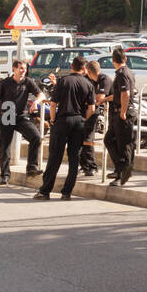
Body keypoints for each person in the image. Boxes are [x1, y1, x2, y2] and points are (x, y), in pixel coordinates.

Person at [36, 57, 95, 201]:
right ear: (84, 69)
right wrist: (83, 118)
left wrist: (52, 119)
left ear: (71, 66)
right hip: (79, 122)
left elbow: (53, 104)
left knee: (55, 156)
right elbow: (92, 109)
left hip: (62, 121)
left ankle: (45, 191)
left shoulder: (63, 81)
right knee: (74, 158)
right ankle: (66, 192)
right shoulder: (88, 84)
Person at [0, 60, 42, 186]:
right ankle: (5, 176)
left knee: (36, 137)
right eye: (21, 68)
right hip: (6, 115)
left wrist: (36, 102)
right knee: (5, 146)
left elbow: (41, 94)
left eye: (25, 68)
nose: (23, 70)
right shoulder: (5, 83)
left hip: (20, 116)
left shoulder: (28, 81)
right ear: (14, 69)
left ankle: (31, 168)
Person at [104, 46, 138, 187]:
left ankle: (123, 172)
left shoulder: (122, 73)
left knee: (123, 145)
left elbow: (125, 94)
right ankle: (121, 168)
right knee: (110, 140)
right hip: (122, 111)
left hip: (124, 112)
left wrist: (123, 112)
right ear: (125, 58)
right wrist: (106, 99)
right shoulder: (128, 72)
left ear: (113, 60)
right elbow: (120, 94)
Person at [80, 60, 111, 177]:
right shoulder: (87, 79)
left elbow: (99, 98)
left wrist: (89, 100)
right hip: (85, 110)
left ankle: (91, 166)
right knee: (81, 138)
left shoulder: (104, 79)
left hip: (94, 111)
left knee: (88, 138)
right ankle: (84, 165)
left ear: (88, 71)